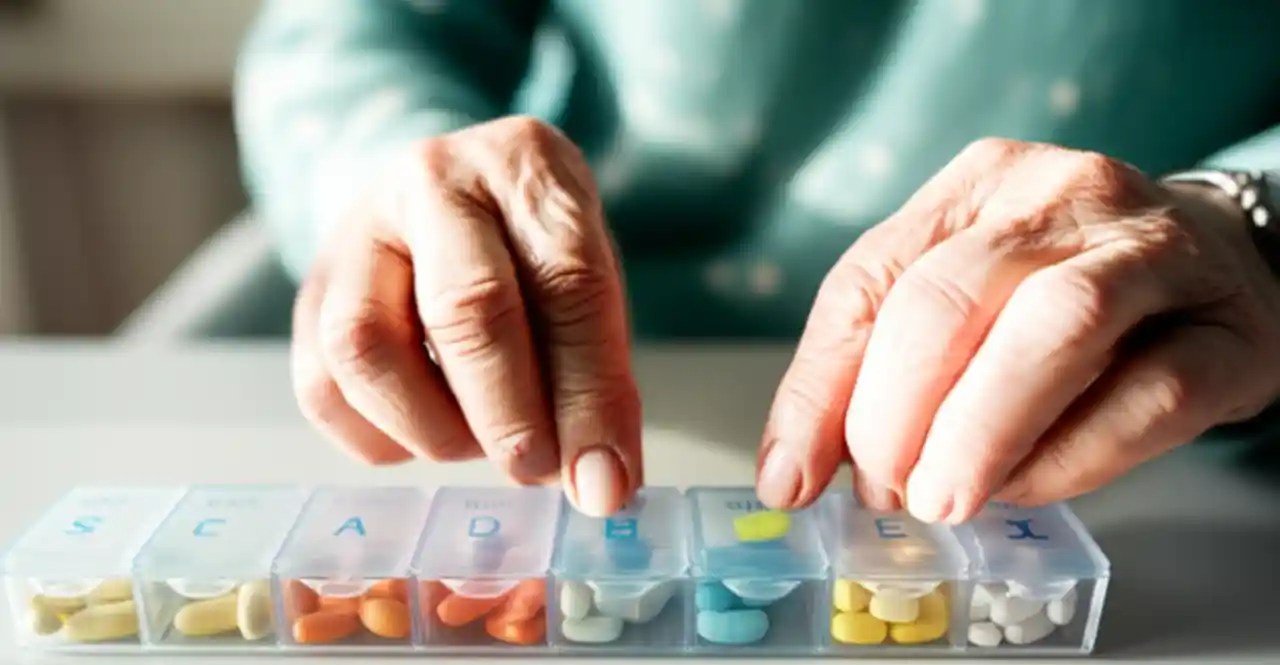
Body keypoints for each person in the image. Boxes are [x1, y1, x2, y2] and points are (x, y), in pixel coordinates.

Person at [234, 0, 1280, 520]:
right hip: (556, 392)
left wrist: (1250, 221)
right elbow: (347, 25)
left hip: (1159, 452)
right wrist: (382, 172)